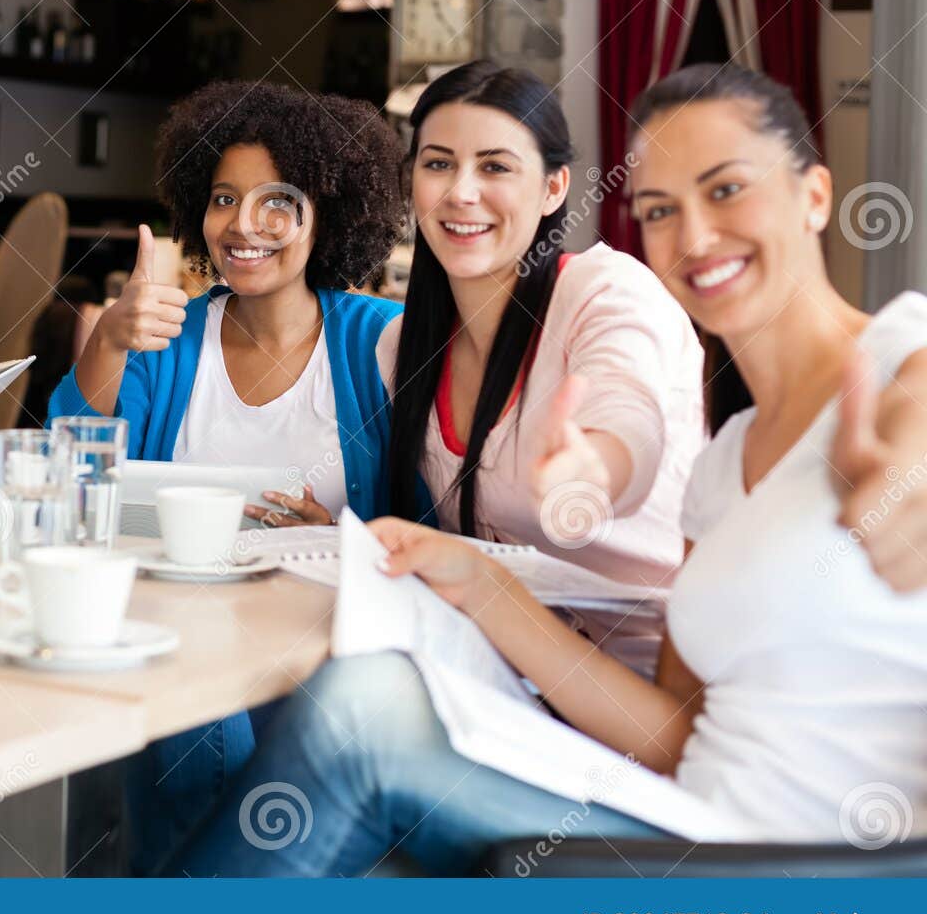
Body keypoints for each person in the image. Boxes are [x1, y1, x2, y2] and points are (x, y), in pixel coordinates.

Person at [166, 63, 927, 876]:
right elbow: (672, 734)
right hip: (680, 817)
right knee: (350, 713)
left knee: (359, 715)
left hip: (819, 881)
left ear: (816, 195)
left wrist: (592, 470)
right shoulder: (726, 462)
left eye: (727, 189)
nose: (695, 237)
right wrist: (483, 585)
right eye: (661, 210)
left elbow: (627, 410)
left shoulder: (903, 367)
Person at [46, 78, 407, 873]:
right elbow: (70, 481)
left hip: (323, 657)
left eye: (277, 200)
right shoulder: (165, 338)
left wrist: (339, 536)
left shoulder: (376, 342)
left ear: (330, 212)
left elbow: (430, 524)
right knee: (197, 723)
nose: (242, 225)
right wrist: (107, 341)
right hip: (176, 648)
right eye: (221, 198)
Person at [271, 61, 704, 676]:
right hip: (522, 680)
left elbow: (628, 406)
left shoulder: (605, 292)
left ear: (554, 187)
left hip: (662, 686)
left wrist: (596, 468)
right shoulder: (401, 348)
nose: (460, 192)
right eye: (438, 163)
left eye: (495, 166)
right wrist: (338, 545)